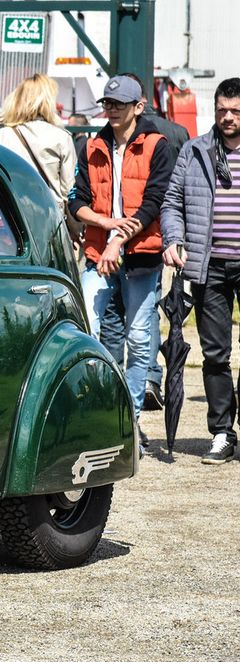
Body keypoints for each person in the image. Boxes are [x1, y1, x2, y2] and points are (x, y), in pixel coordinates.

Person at [70, 75, 174, 447]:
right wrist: (104, 223)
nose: (111, 109)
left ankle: (129, 419)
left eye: (119, 104)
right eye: (107, 103)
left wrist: (117, 239)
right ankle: (103, 413)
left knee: (141, 337)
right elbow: (76, 200)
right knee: (92, 326)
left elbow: (154, 202)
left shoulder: (157, 145)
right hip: (100, 253)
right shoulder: (91, 144)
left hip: (141, 256)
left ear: (138, 107)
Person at [161, 77, 240, 464]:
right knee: (215, 353)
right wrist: (172, 240)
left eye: (235, 111)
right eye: (222, 110)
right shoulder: (195, 151)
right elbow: (172, 201)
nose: (228, 117)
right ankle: (222, 432)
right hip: (209, 267)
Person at [0, 74, 76, 211]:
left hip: (11, 213)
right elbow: (69, 188)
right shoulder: (60, 137)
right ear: (48, 101)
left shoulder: (2, 135)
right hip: (48, 215)